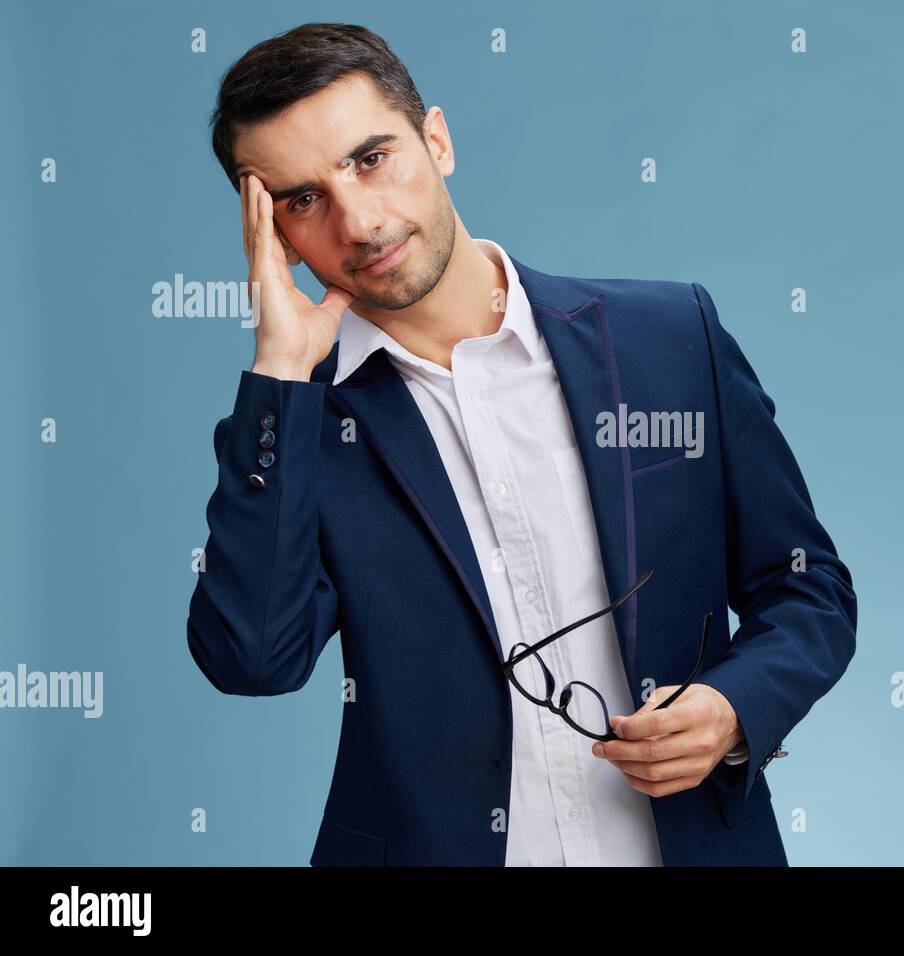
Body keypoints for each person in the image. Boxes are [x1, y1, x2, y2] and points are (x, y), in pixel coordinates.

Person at [188, 22, 857, 866]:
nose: (359, 221)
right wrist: (281, 371)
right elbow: (254, 660)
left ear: (438, 139)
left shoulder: (667, 341)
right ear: (274, 234)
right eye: (303, 198)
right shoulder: (294, 430)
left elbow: (808, 587)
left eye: (370, 158)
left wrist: (732, 709)